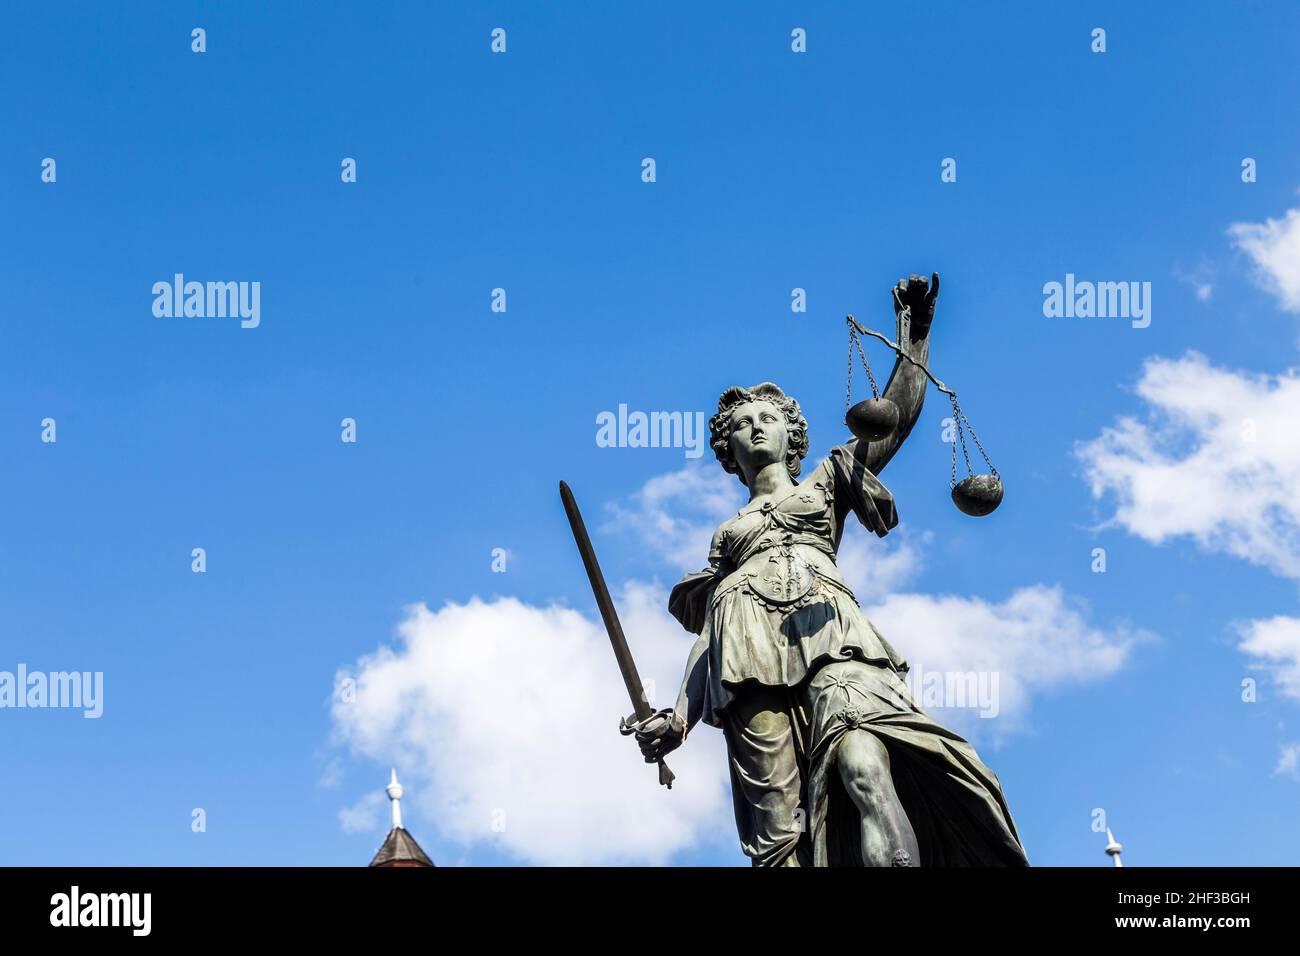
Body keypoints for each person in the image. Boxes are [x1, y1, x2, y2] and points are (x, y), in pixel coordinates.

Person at [629, 274, 1028, 866]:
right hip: (745, 663)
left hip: (834, 641)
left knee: (866, 761)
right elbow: (711, 635)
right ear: (727, 450)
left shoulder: (829, 479)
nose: (755, 426)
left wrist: (913, 334)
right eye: (741, 424)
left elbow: (896, 414)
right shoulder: (726, 538)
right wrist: (680, 719)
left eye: (768, 416)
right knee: (781, 841)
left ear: (793, 432)